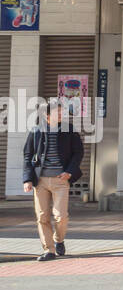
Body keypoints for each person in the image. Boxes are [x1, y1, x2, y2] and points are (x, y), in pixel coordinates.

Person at [22, 101, 84, 261]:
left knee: (61, 216)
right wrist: (27, 179)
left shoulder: (69, 130)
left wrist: (69, 172)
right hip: (40, 181)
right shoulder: (36, 131)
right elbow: (27, 156)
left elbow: (78, 152)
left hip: (60, 180)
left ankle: (59, 240)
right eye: (58, 112)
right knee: (42, 216)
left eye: (62, 112)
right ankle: (48, 250)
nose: (61, 115)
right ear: (46, 115)